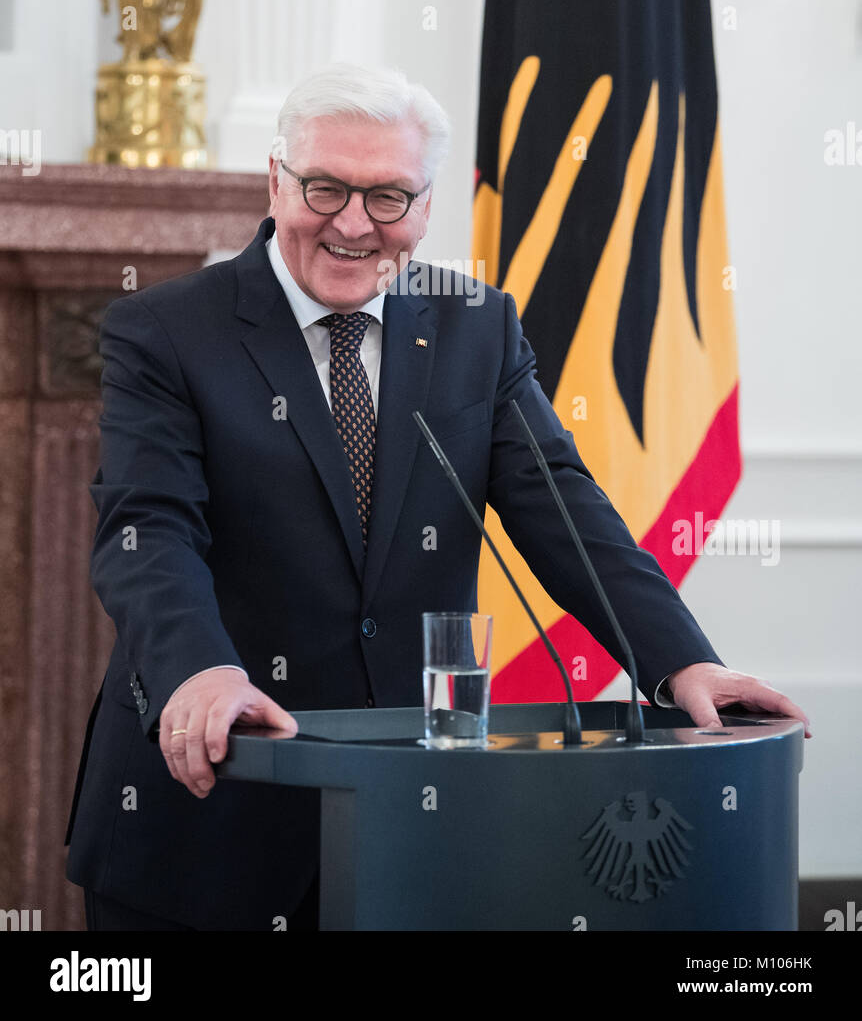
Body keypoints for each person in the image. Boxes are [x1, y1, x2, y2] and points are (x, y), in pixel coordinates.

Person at [65, 63, 810, 931]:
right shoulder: (163, 330)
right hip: (209, 819)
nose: (353, 223)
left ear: (425, 207)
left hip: (418, 825)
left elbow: (562, 506)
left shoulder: (475, 322)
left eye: (388, 196)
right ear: (276, 180)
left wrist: (684, 661)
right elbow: (148, 530)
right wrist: (203, 670)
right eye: (325, 187)